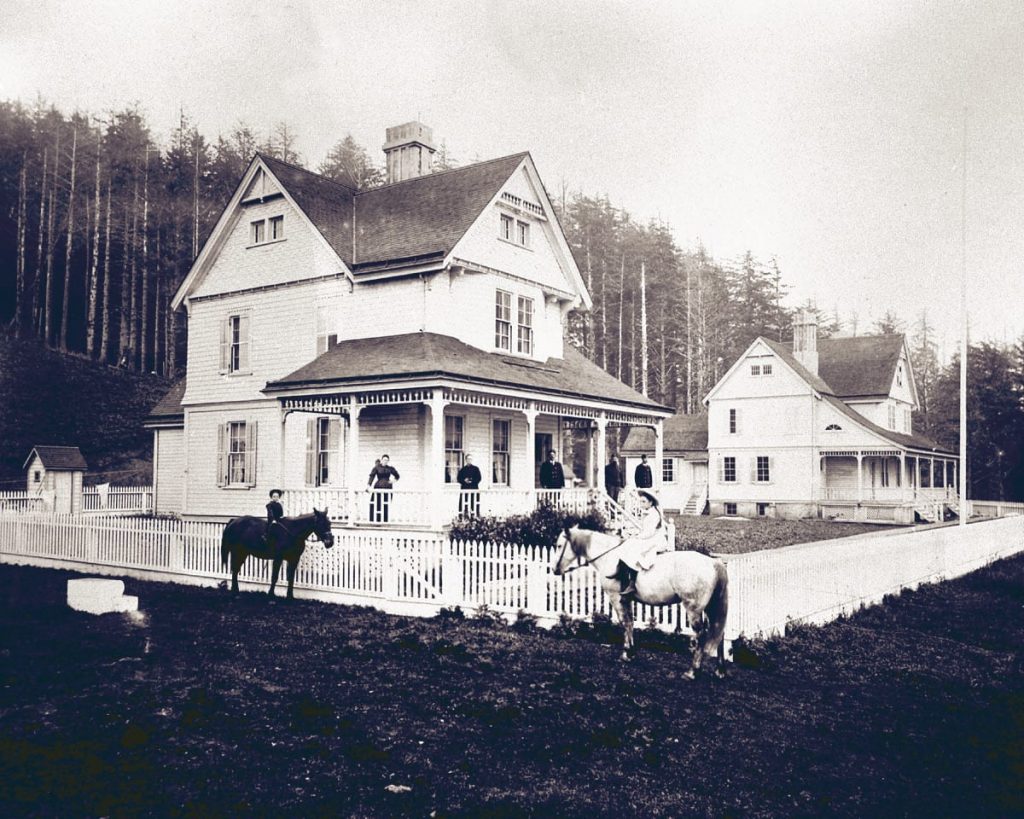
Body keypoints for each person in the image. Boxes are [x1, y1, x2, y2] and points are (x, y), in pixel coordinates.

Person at [607, 489, 670, 596]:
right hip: (651, 538)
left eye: (643, 502)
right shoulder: (649, 512)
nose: (641, 504)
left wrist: (636, 537)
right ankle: (620, 571)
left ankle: (632, 583)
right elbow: (645, 530)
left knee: (633, 547)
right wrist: (635, 534)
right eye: (640, 501)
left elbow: (649, 533)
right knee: (627, 544)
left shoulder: (653, 515)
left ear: (650, 503)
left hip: (656, 540)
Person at [367, 454, 400, 522]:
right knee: (376, 503)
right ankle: (374, 519)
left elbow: (397, 476)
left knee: (385, 503)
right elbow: (372, 476)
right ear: (381, 460)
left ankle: (384, 520)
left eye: (387, 460)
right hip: (378, 487)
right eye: (384, 460)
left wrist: (393, 481)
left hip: (387, 488)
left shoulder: (390, 468)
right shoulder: (377, 467)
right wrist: (368, 485)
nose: (385, 461)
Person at [456, 454, 482, 518]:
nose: (469, 460)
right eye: (468, 459)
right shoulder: (463, 469)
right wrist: (464, 480)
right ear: (466, 460)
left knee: (474, 502)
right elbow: (459, 478)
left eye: (470, 459)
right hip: (465, 488)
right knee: (465, 502)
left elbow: (479, 478)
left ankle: (475, 515)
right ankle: (465, 515)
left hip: (474, 488)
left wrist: (472, 481)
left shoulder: (476, 469)